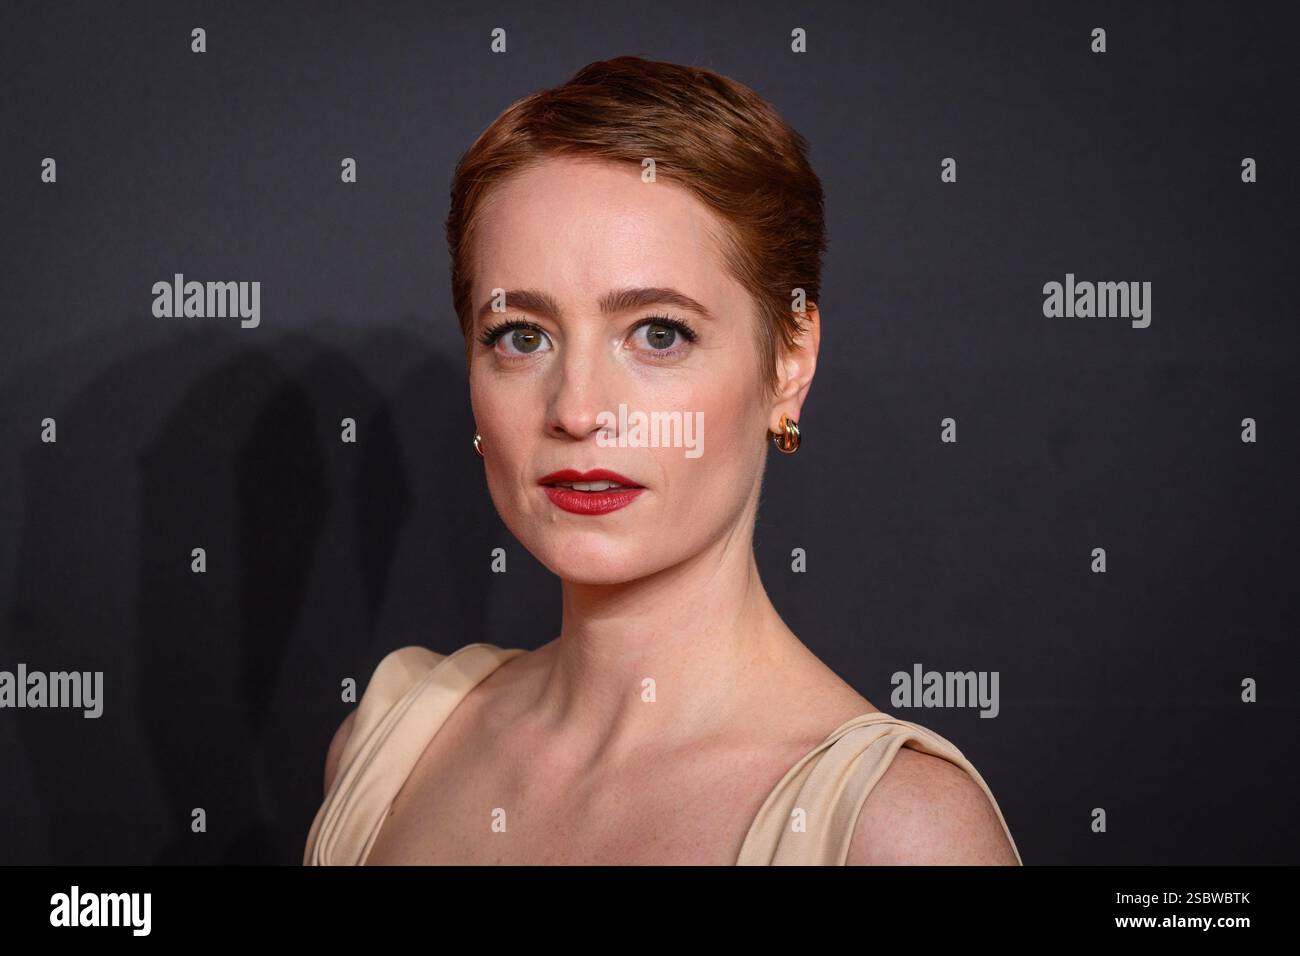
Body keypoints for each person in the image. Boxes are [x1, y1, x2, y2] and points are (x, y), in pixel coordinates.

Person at [304, 55, 1022, 865]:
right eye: (521, 337)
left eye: (658, 333)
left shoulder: (898, 833)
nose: (576, 411)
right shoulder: (391, 745)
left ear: (788, 363)